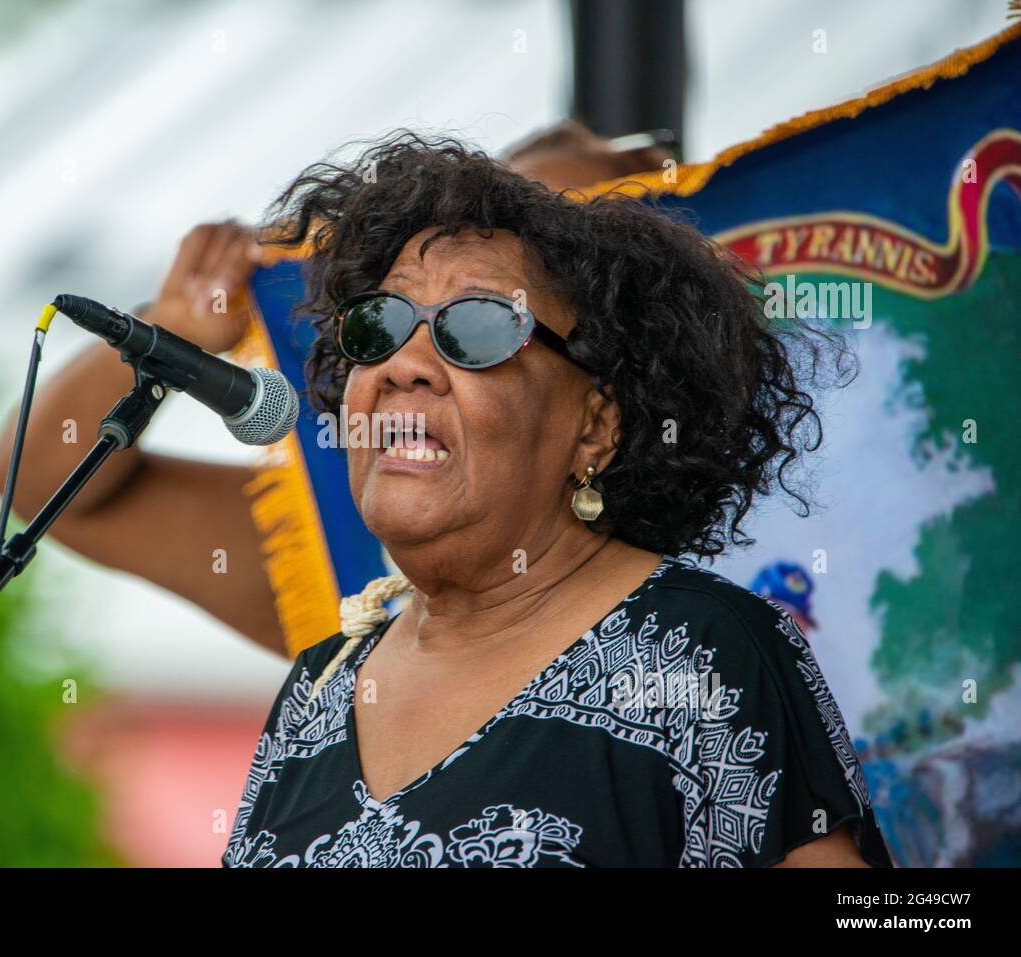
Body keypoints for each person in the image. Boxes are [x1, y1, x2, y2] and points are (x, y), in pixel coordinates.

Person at [220, 129, 892, 868]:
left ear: (594, 426)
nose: (404, 366)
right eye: (377, 326)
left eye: (475, 328)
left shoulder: (703, 652)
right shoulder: (318, 687)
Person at [0, 121, 670, 658]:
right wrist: (169, 333)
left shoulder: (723, 642)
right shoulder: (357, 563)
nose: (412, 361)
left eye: (487, 318)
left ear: (600, 413)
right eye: (389, 315)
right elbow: (34, 479)